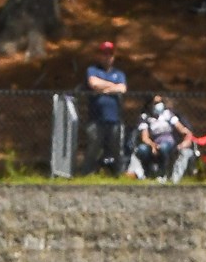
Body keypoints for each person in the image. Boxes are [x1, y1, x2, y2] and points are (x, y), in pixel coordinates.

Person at [83, 41, 127, 176]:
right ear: (99, 56)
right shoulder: (93, 70)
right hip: (96, 118)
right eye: (104, 54)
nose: (107, 57)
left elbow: (122, 88)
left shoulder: (119, 73)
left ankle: (120, 173)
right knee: (93, 147)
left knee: (117, 148)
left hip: (115, 119)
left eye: (110, 54)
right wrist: (112, 86)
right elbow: (93, 83)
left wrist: (104, 89)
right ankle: (87, 173)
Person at [129, 95, 196, 182]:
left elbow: (181, 129)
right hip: (153, 143)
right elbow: (145, 138)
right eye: (156, 103)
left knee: (163, 147)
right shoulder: (145, 117)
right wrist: (153, 145)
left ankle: (163, 173)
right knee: (142, 150)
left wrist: (186, 137)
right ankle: (145, 174)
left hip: (169, 143)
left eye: (160, 102)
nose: (159, 105)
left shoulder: (167, 114)